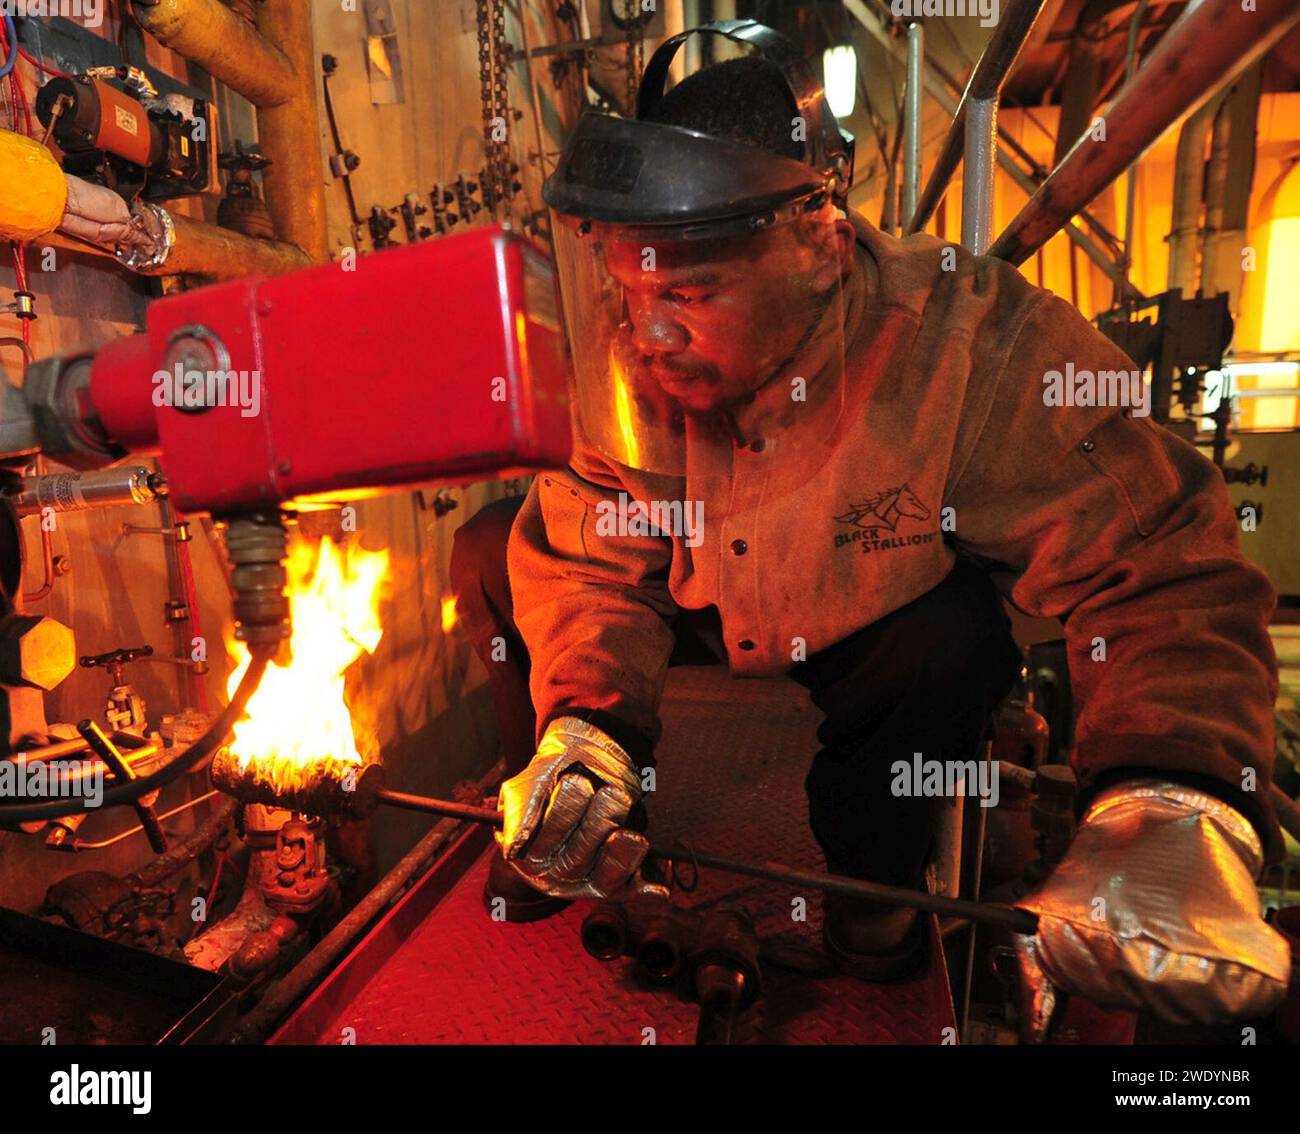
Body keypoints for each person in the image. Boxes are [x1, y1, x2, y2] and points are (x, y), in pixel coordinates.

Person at [450, 20, 1290, 1022]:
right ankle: (559, 819)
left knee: (946, 643)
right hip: (708, 595)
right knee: (489, 545)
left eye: (691, 291)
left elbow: (1155, 561)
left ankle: (871, 907)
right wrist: (584, 722)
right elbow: (593, 544)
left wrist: (1171, 793)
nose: (650, 331)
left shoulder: (973, 349)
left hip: (861, 617)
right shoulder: (635, 341)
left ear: (818, 241)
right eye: (629, 293)